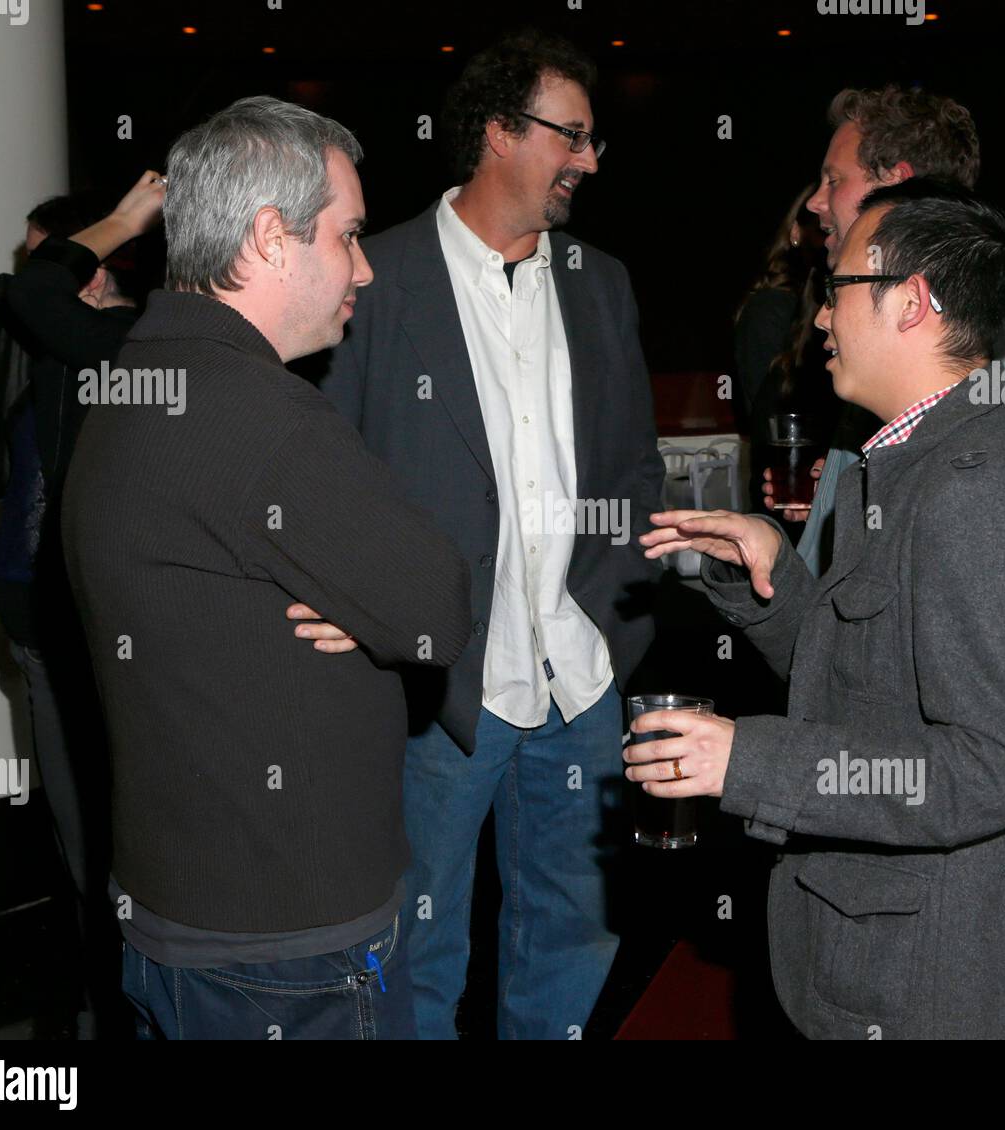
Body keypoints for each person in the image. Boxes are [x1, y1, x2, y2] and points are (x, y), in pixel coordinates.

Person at [633, 180, 1005, 1039]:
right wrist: (773, 583)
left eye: (836, 289)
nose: (822, 317)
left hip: (933, 989)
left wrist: (750, 763)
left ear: (911, 303)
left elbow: (993, 768)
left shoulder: (977, 489)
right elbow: (875, 682)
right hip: (878, 961)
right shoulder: (912, 460)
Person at [61, 96, 471, 1040]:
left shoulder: (137, 378)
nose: (365, 267)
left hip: (177, 920)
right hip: (288, 948)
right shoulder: (262, 416)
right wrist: (366, 603)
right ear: (270, 238)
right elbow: (437, 607)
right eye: (350, 237)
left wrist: (350, 595)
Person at [306, 30, 663, 1039]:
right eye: (573, 137)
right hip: (439, 694)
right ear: (499, 133)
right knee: (418, 955)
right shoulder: (373, 281)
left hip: (580, 683)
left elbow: (631, 471)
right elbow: (331, 479)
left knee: (574, 938)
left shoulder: (602, 280)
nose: (590, 161)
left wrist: (606, 629)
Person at [0, 181, 161, 1037]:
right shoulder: (63, 347)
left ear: (89, 270)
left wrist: (124, 220)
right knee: (78, 834)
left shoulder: (127, 344)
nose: (28, 271)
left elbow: (29, 295)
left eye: (48, 252)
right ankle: (102, 1004)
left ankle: (125, 1008)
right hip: (41, 632)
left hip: (101, 641)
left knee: (115, 839)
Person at [787, 86, 1005, 577]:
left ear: (894, 184)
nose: (815, 203)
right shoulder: (882, 315)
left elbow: (992, 544)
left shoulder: (972, 327)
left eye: (833, 180)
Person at [734, 185, 833, 515]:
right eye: (822, 229)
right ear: (794, 232)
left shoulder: (837, 303)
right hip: (785, 491)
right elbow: (770, 421)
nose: (829, 240)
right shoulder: (772, 308)